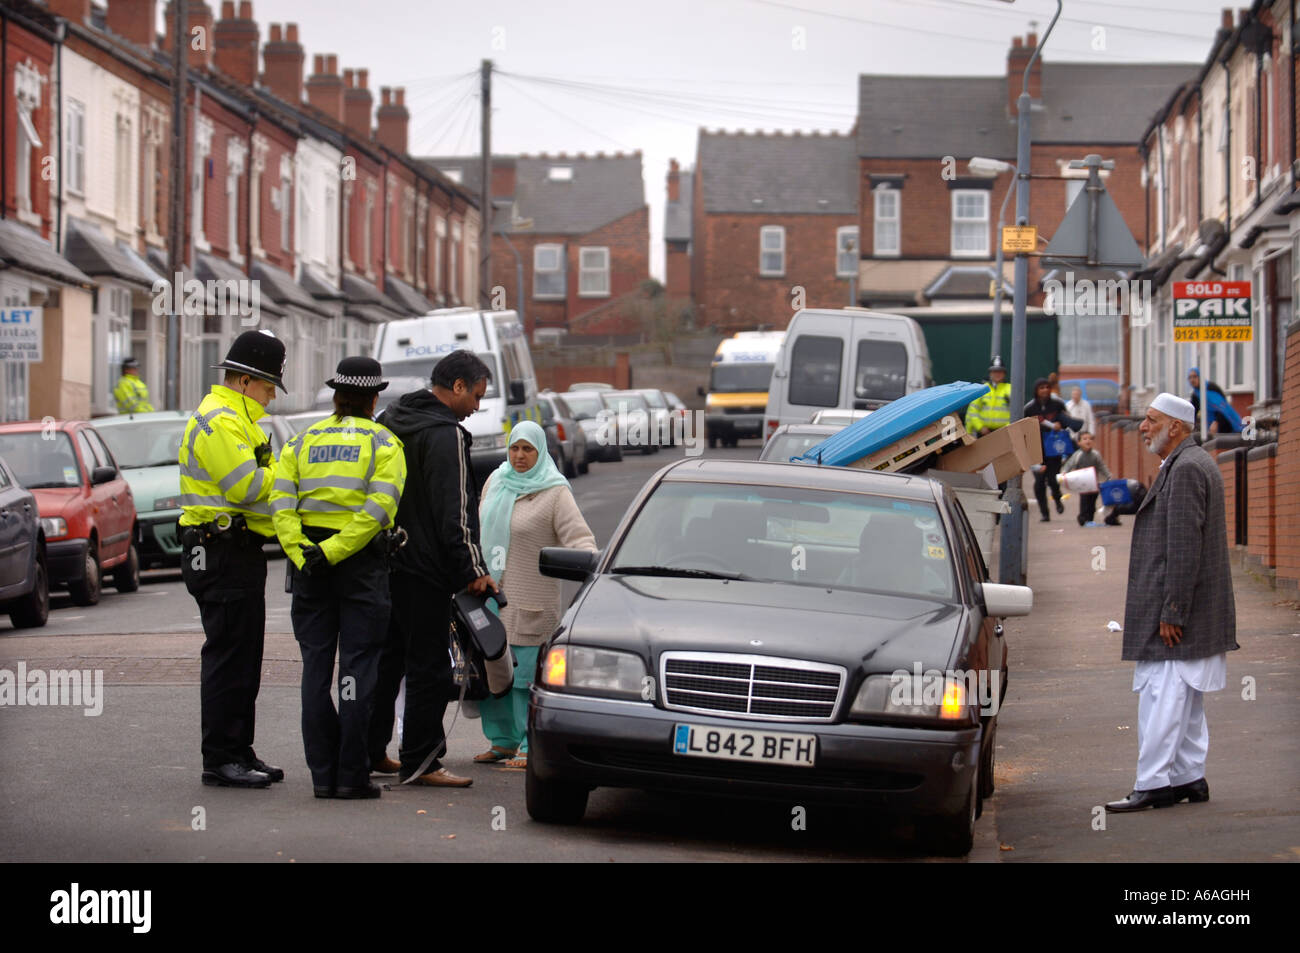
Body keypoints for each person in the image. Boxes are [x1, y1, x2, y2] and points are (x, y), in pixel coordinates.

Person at [271, 357, 406, 800]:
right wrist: (334, 551)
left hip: (308, 565)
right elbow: (377, 511)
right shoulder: (385, 443)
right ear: (373, 399)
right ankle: (351, 775)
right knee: (357, 669)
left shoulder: (302, 441)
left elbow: (281, 501)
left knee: (315, 670)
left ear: (335, 396)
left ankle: (322, 775)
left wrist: (303, 550)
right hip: (359, 567)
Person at [1106, 393, 1238, 813]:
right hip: (1193, 608)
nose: (1143, 427)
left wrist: (1172, 611)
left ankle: (1153, 784)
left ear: (1175, 427)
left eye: (1151, 420)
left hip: (1181, 612)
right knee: (1185, 698)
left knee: (1163, 698)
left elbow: (1183, 547)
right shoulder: (1191, 463)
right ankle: (1188, 778)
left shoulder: (1184, 470)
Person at [370, 349, 497, 788]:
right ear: (457, 386)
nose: (478, 406)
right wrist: (473, 568)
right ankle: (422, 761)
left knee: (386, 661)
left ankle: (371, 750)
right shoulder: (446, 435)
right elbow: (456, 514)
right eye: (477, 396)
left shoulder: (390, 419)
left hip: (383, 562)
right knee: (430, 667)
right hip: (424, 571)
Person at [179, 329, 286, 788]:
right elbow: (245, 488)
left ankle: (239, 750)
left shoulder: (236, 419)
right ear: (245, 381)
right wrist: (284, 472)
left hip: (234, 548)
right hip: (220, 548)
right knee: (229, 655)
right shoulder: (222, 421)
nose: (270, 399)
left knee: (245, 654)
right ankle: (222, 757)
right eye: (268, 388)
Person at [475, 420, 596, 769]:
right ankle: (503, 742)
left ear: (540, 451)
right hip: (491, 600)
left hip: (532, 602)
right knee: (493, 674)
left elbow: (580, 540)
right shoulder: (497, 481)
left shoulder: (555, 492)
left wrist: (591, 570)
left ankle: (531, 744)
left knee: (525, 678)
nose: (519, 456)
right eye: (514, 448)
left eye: (528, 449)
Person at [1024, 378, 1082, 522]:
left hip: (1054, 449)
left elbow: (1067, 422)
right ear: (1036, 391)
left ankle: (1057, 499)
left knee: (1053, 480)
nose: (1045, 390)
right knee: (1039, 484)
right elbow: (1023, 427)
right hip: (1037, 449)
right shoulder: (1030, 408)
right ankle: (1045, 513)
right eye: (1041, 387)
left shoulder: (1057, 404)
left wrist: (1059, 424)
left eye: (1047, 387)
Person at [1060, 430, 1118, 526]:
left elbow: (1101, 466)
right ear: (1079, 442)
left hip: (1094, 483)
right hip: (1082, 483)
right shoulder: (1077, 455)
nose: (1088, 441)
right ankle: (1082, 518)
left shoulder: (1095, 454)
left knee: (1092, 501)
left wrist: (1109, 476)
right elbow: (1069, 465)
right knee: (1084, 501)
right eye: (1085, 439)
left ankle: (1090, 519)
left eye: (1090, 439)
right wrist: (1063, 473)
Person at [963, 356, 1011, 438]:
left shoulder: (1011, 389)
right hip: (983, 433)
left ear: (1004, 373)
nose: (997, 374)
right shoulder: (982, 389)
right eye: (994, 371)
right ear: (990, 373)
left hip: (1005, 433)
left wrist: (1008, 427)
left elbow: (1016, 412)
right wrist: (980, 427)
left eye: (1000, 371)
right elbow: (973, 410)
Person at [1187, 368, 1242, 435]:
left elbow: (1222, 408)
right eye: (1190, 378)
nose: (1192, 380)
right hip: (1211, 425)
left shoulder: (1210, 388)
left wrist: (1216, 422)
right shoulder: (1196, 394)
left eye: (1194, 377)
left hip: (1225, 421)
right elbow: (1193, 412)